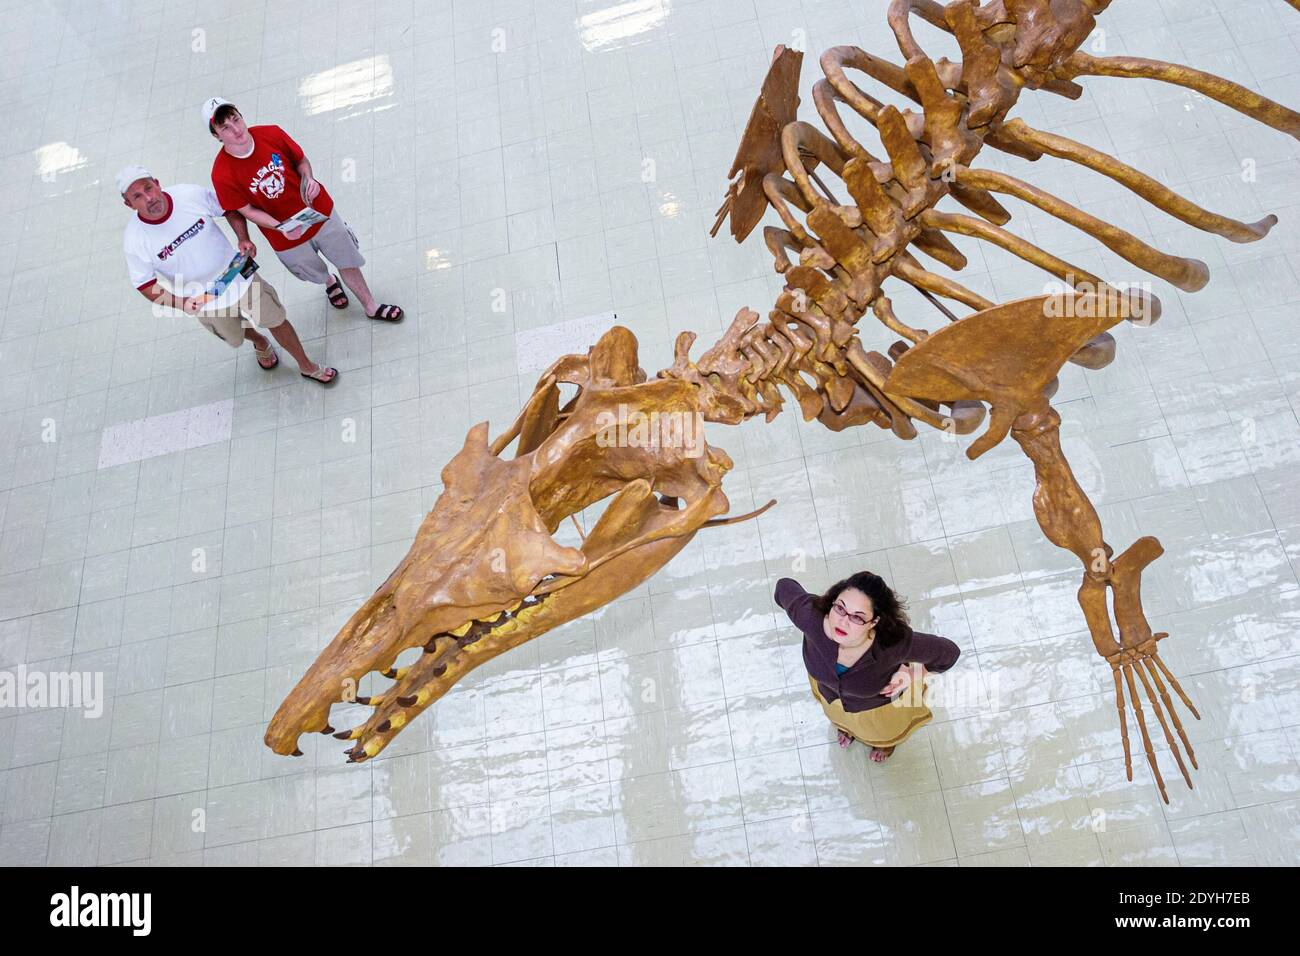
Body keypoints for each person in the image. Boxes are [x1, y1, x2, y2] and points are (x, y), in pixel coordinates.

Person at [118, 166, 338, 384]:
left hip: (237, 274)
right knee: (234, 336)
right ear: (129, 204)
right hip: (202, 298)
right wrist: (181, 303)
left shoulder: (188, 195)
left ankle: (306, 365)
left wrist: (243, 237)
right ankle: (259, 341)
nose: (148, 198)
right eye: (137, 196)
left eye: (148, 188)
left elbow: (229, 209)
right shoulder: (135, 240)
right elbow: (145, 284)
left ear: (157, 183)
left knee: (275, 320)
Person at [204, 97, 405, 322]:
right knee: (313, 272)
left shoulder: (271, 133)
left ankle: (371, 306)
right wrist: (281, 227)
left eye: (236, 119)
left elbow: (301, 161)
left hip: (318, 213)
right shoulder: (222, 173)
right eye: (225, 127)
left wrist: (308, 178)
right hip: (285, 235)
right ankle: (329, 281)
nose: (236, 129)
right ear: (217, 135)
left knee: (346, 259)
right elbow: (247, 210)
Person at [775, 572, 960, 762]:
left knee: (883, 734)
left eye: (858, 617)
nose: (843, 621)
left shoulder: (892, 644)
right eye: (840, 608)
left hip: (876, 709)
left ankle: (885, 744)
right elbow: (784, 586)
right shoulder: (810, 616)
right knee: (842, 719)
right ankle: (847, 728)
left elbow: (948, 653)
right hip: (830, 696)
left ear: (874, 622)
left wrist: (913, 674)